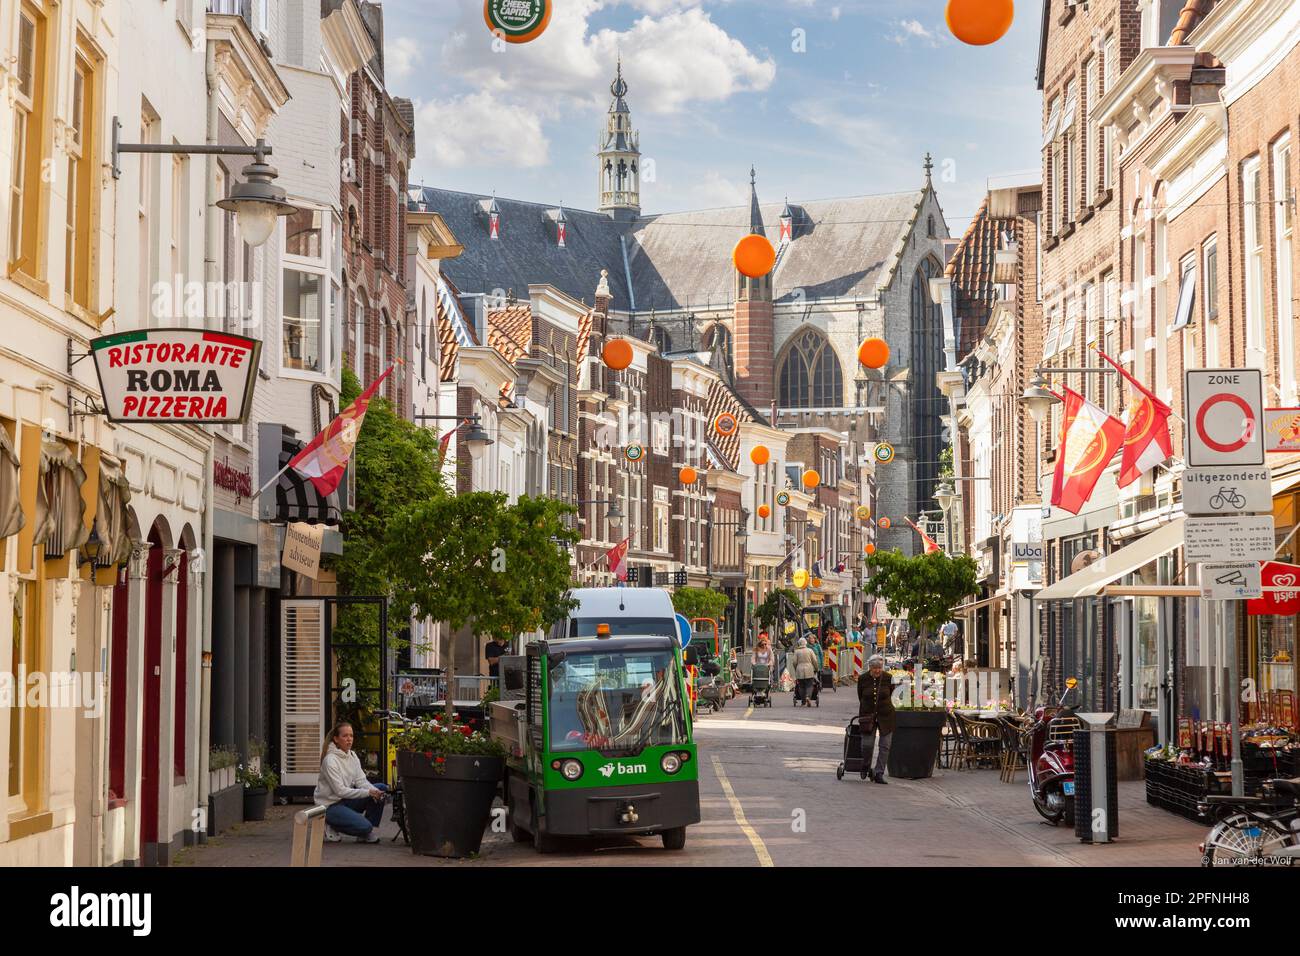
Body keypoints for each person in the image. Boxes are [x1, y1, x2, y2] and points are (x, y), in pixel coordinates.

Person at [314, 721, 388, 843]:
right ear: (336, 739)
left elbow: (361, 781)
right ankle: (331, 823)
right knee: (365, 826)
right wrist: (369, 792)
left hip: (344, 801)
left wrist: (375, 791)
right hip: (329, 806)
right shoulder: (330, 761)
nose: (349, 739)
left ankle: (364, 833)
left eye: (351, 736)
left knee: (381, 787)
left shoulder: (352, 755)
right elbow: (340, 791)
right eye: (345, 736)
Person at [856, 654, 897, 784]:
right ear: (870, 667)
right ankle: (866, 766)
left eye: (879, 668)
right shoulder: (863, 679)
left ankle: (879, 773)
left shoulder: (888, 678)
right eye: (875, 668)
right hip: (868, 715)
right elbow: (860, 695)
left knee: (885, 746)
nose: (877, 670)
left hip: (886, 715)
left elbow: (891, 693)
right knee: (866, 745)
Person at [791, 638, 819, 707]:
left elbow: (794, 662)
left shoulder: (796, 651)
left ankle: (803, 702)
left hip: (799, 669)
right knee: (809, 685)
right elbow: (814, 661)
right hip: (809, 669)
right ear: (806, 643)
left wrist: (796, 668)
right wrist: (816, 669)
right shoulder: (810, 650)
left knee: (801, 686)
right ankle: (808, 697)